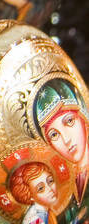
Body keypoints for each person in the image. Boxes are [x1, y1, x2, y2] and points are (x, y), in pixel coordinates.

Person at [35, 80, 89, 211]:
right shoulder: (67, 188)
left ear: (83, 119)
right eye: (54, 135)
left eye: (69, 121)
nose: (66, 140)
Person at [7, 160, 79, 224]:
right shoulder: (34, 221)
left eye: (50, 181)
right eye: (41, 188)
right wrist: (76, 221)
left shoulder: (45, 211)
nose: (50, 189)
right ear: (30, 196)